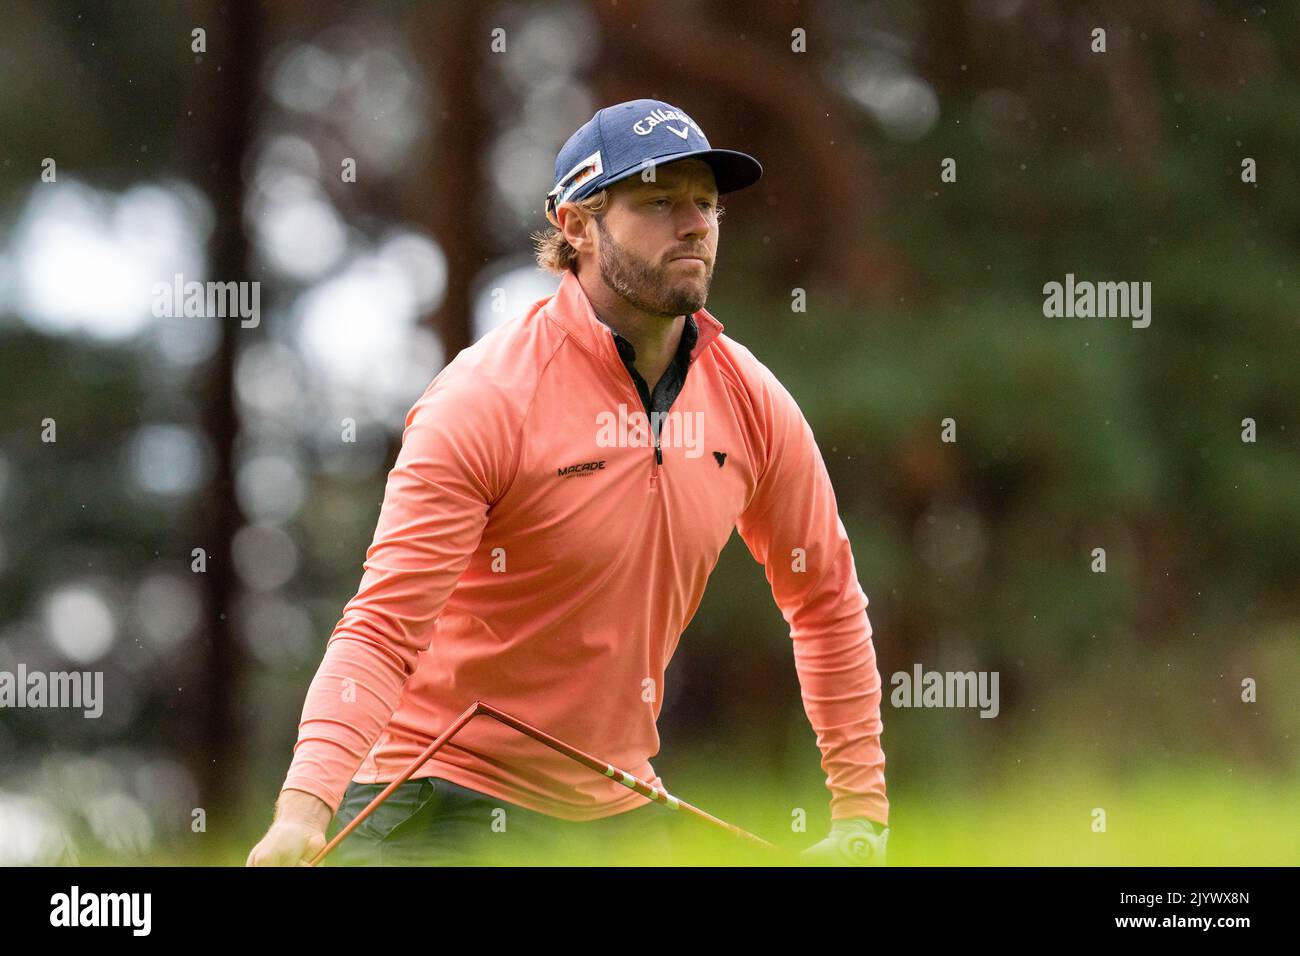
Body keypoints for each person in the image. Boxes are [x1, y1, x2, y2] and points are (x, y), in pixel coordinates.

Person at [247, 98, 889, 867]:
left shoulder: (749, 400)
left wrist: (861, 820)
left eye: (706, 203)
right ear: (576, 224)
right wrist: (302, 810)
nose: (695, 225)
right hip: (435, 799)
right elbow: (382, 629)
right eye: (659, 202)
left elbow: (825, 600)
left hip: (617, 807)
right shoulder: (485, 398)